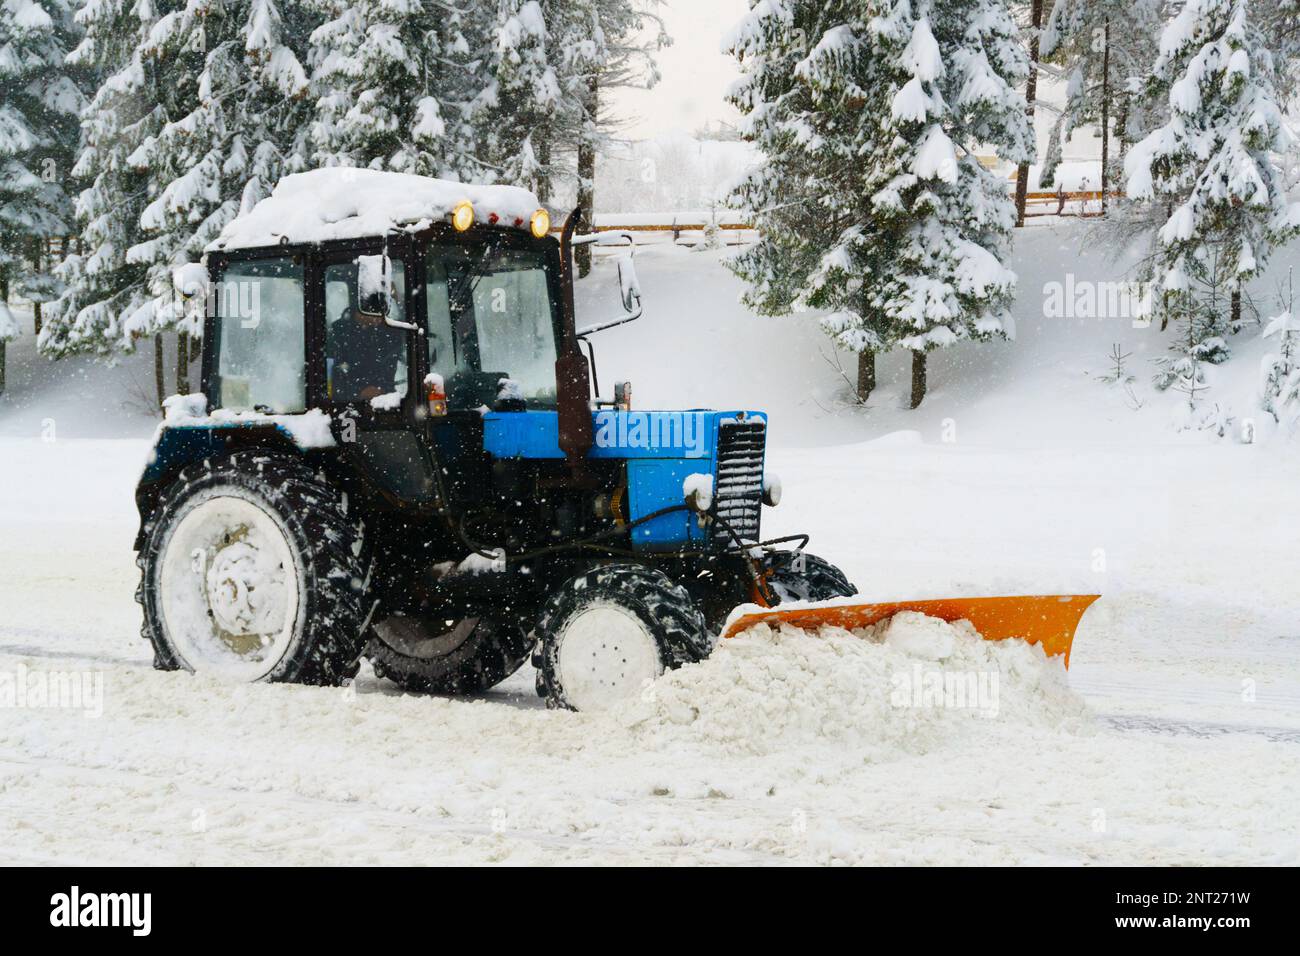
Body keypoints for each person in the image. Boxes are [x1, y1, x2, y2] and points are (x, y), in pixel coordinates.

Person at [328, 305, 404, 402]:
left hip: (387, 402)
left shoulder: (390, 333)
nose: (378, 315)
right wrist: (357, 392)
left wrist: (382, 390)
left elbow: (409, 324)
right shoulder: (339, 332)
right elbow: (332, 377)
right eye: (374, 309)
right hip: (346, 406)